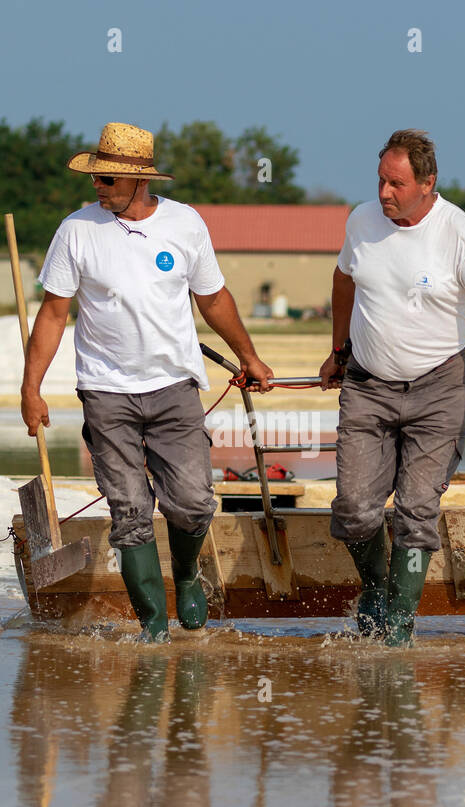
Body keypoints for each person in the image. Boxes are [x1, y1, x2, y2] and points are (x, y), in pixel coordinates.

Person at [21, 122, 273, 643]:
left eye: (108, 178)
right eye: (96, 177)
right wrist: (31, 389)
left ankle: (184, 574)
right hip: (105, 391)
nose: (98, 186)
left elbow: (213, 298)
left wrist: (249, 356)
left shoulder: (185, 225)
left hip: (175, 386)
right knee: (131, 510)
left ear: (140, 180)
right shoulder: (76, 230)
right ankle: (155, 632)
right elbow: (52, 314)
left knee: (193, 502)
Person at [319, 129, 465, 647]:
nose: (384, 193)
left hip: (439, 390)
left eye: (397, 184)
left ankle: (398, 630)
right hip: (367, 386)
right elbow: (344, 281)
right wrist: (338, 351)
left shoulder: (457, 231)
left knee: (415, 509)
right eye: (381, 180)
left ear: (428, 184)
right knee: (356, 510)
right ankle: (379, 589)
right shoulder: (361, 221)